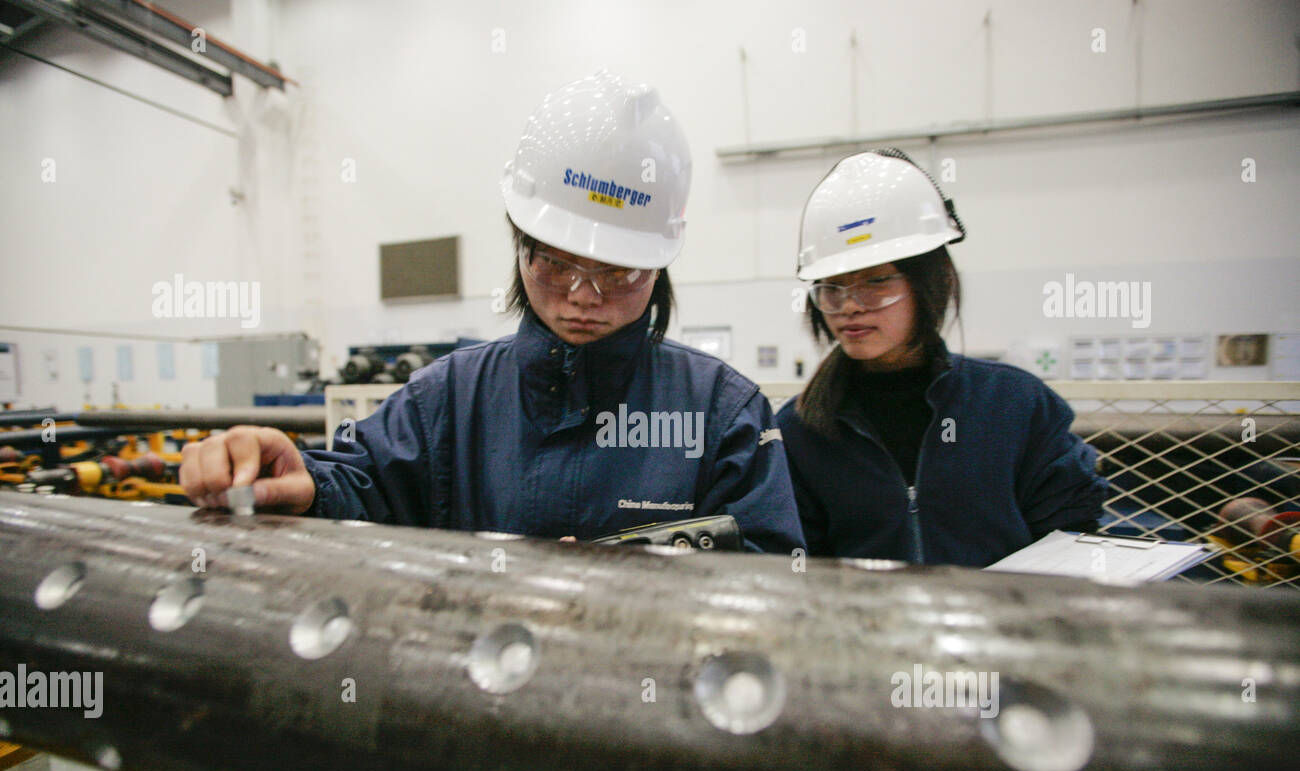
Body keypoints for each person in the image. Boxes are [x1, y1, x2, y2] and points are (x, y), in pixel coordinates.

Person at [179, 71, 803, 554]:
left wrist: (642, 591)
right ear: (519, 243)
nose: (585, 296)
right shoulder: (446, 401)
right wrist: (303, 479)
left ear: (661, 265)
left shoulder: (723, 414)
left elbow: (772, 577)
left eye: (619, 272)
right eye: (556, 264)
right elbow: (364, 484)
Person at [775, 148, 1106, 566]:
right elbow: (802, 561)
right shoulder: (801, 429)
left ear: (930, 281)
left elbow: (1071, 532)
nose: (851, 305)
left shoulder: (1014, 404)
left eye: (876, 282)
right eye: (831, 288)